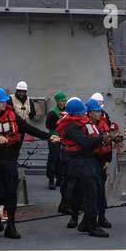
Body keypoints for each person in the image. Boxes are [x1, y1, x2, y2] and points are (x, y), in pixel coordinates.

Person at [0, 87, 51, 239]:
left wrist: (48, 137)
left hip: (9, 160)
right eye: (1, 102)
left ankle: (11, 225)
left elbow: (28, 128)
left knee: (10, 193)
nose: (4, 104)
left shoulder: (12, 115)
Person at [54, 97, 108, 237]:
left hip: (88, 160)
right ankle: (92, 225)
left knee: (96, 189)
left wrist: (104, 138)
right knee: (91, 193)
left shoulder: (82, 123)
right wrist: (102, 138)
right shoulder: (70, 127)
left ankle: (85, 223)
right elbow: (85, 142)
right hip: (79, 162)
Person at [87, 94, 119, 229]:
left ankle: (101, 216)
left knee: (99, 190)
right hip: (89, 160)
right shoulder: (85, 125)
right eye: (97, 110)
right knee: (92, 191)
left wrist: (108, 160)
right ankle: (85, 219)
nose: (100, 112)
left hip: (101, 160)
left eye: (100, 109)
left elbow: (109, 143)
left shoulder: (105, 122)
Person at [44, 91, 67, 191]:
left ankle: (59, 178)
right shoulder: (53, 113)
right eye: (61, 101)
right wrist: (59, 123)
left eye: (64, 100)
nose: (63, 102)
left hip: (63, 138)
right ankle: (51, 179)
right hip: (54, 137)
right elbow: (48, 126)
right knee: (53, 158)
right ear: (57, 101)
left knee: (61, 159)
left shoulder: (66, 111)